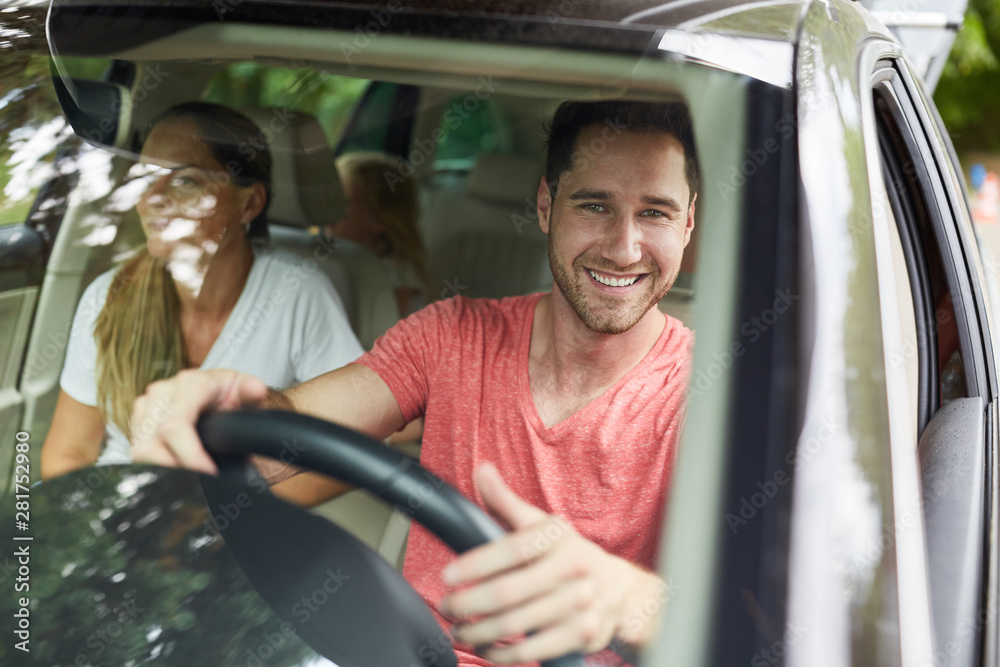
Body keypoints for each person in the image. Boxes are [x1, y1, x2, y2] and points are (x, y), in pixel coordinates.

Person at [130, 100, 698, 665]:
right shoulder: (451, 334)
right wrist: (221, 406)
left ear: (689, 221)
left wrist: (630, 598)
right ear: (546, 207)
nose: (624, 248)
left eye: (655, 213)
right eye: (594, 205)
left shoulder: (710, 395)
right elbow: (282, 445)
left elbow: (765, 620)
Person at [41, 101, 363, 480]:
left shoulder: (297, 293)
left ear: (250, 204)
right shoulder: (107, 296)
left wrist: (223, 520)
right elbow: (68, 454)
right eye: (146, 177)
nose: (153, 196)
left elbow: (348, 449)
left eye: (185, 180)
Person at [327, 150, 434, 316]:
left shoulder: (396, 280)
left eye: (345, 203)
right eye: (330, 200)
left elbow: (377, 336)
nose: (331, 211)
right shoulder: (339, 260)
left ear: (379, 219)